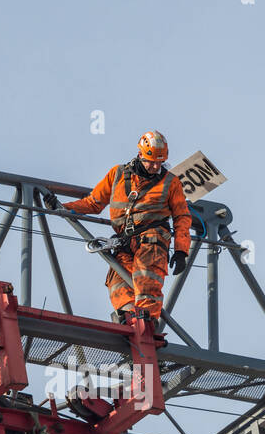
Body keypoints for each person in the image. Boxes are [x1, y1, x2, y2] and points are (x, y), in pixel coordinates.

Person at [44, 131, 191, 322]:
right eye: (151, 161)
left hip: (152, 241)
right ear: (140, 155)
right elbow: (93, 203)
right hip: (125, 242)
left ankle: (145, 323)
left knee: (147, 280)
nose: (156, 166)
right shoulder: (118, 174)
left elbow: (182, 217)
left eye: (160, 162)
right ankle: (129, 319)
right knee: (117, 282)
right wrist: (62, 208)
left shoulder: (171, 183)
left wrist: (181, 251)